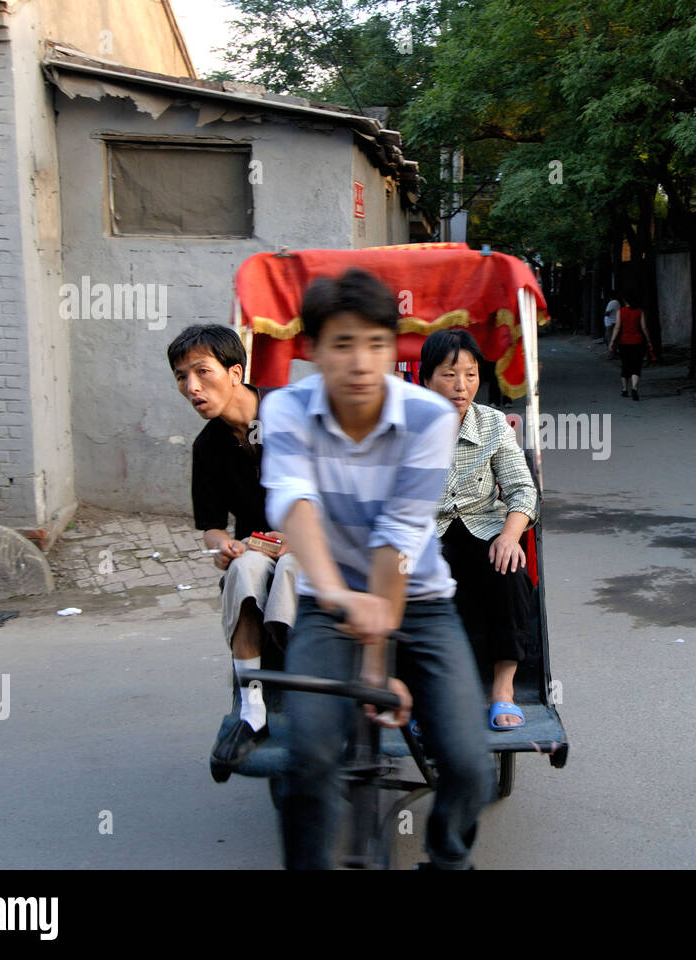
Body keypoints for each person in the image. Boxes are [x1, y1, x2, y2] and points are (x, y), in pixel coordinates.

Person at [259, 267, 492, 870]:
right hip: (327, 602)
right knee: (307, 755)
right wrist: (339, 599)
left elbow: (401, 533)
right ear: (311, 349)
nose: (361, 363)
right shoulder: (284, 410)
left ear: (395, 348)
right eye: (342, 344)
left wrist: (373, 661)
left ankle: (446, 856)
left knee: (469, 763)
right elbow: (293, 503)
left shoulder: (428, 418)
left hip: (421, 601)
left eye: (376, 343)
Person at [167, 324, 299, 778]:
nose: (192, 388)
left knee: (292, 569)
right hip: (258, 546)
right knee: (243, 571)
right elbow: (210, 526)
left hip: (314, 539)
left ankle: (290, 671)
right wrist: (223, 545)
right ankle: (253, 707)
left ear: (236, 372)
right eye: (183, 377)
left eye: (202, 373)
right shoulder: (208, 447)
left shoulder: (290, 411)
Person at [419, 329, 538, 730]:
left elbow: (523, 488)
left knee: (508, 572)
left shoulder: (492, 424)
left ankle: (502, 689)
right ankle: (422, 694)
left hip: (482, 525)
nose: (461, 385)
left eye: (470, 375)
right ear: (426, 378)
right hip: (426, 532)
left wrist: (509, 535)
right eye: (450, 374)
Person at [608, 294, 653, 400]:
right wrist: (649, 340)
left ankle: (624, 389)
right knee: (636, 366)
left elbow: (617, 327)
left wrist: (612, 342)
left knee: (625, 365)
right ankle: (634, 388)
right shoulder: (639, 311)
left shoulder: (621, 312)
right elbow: (644, 327)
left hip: (624, 342)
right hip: (638, 342)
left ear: (625, 301)